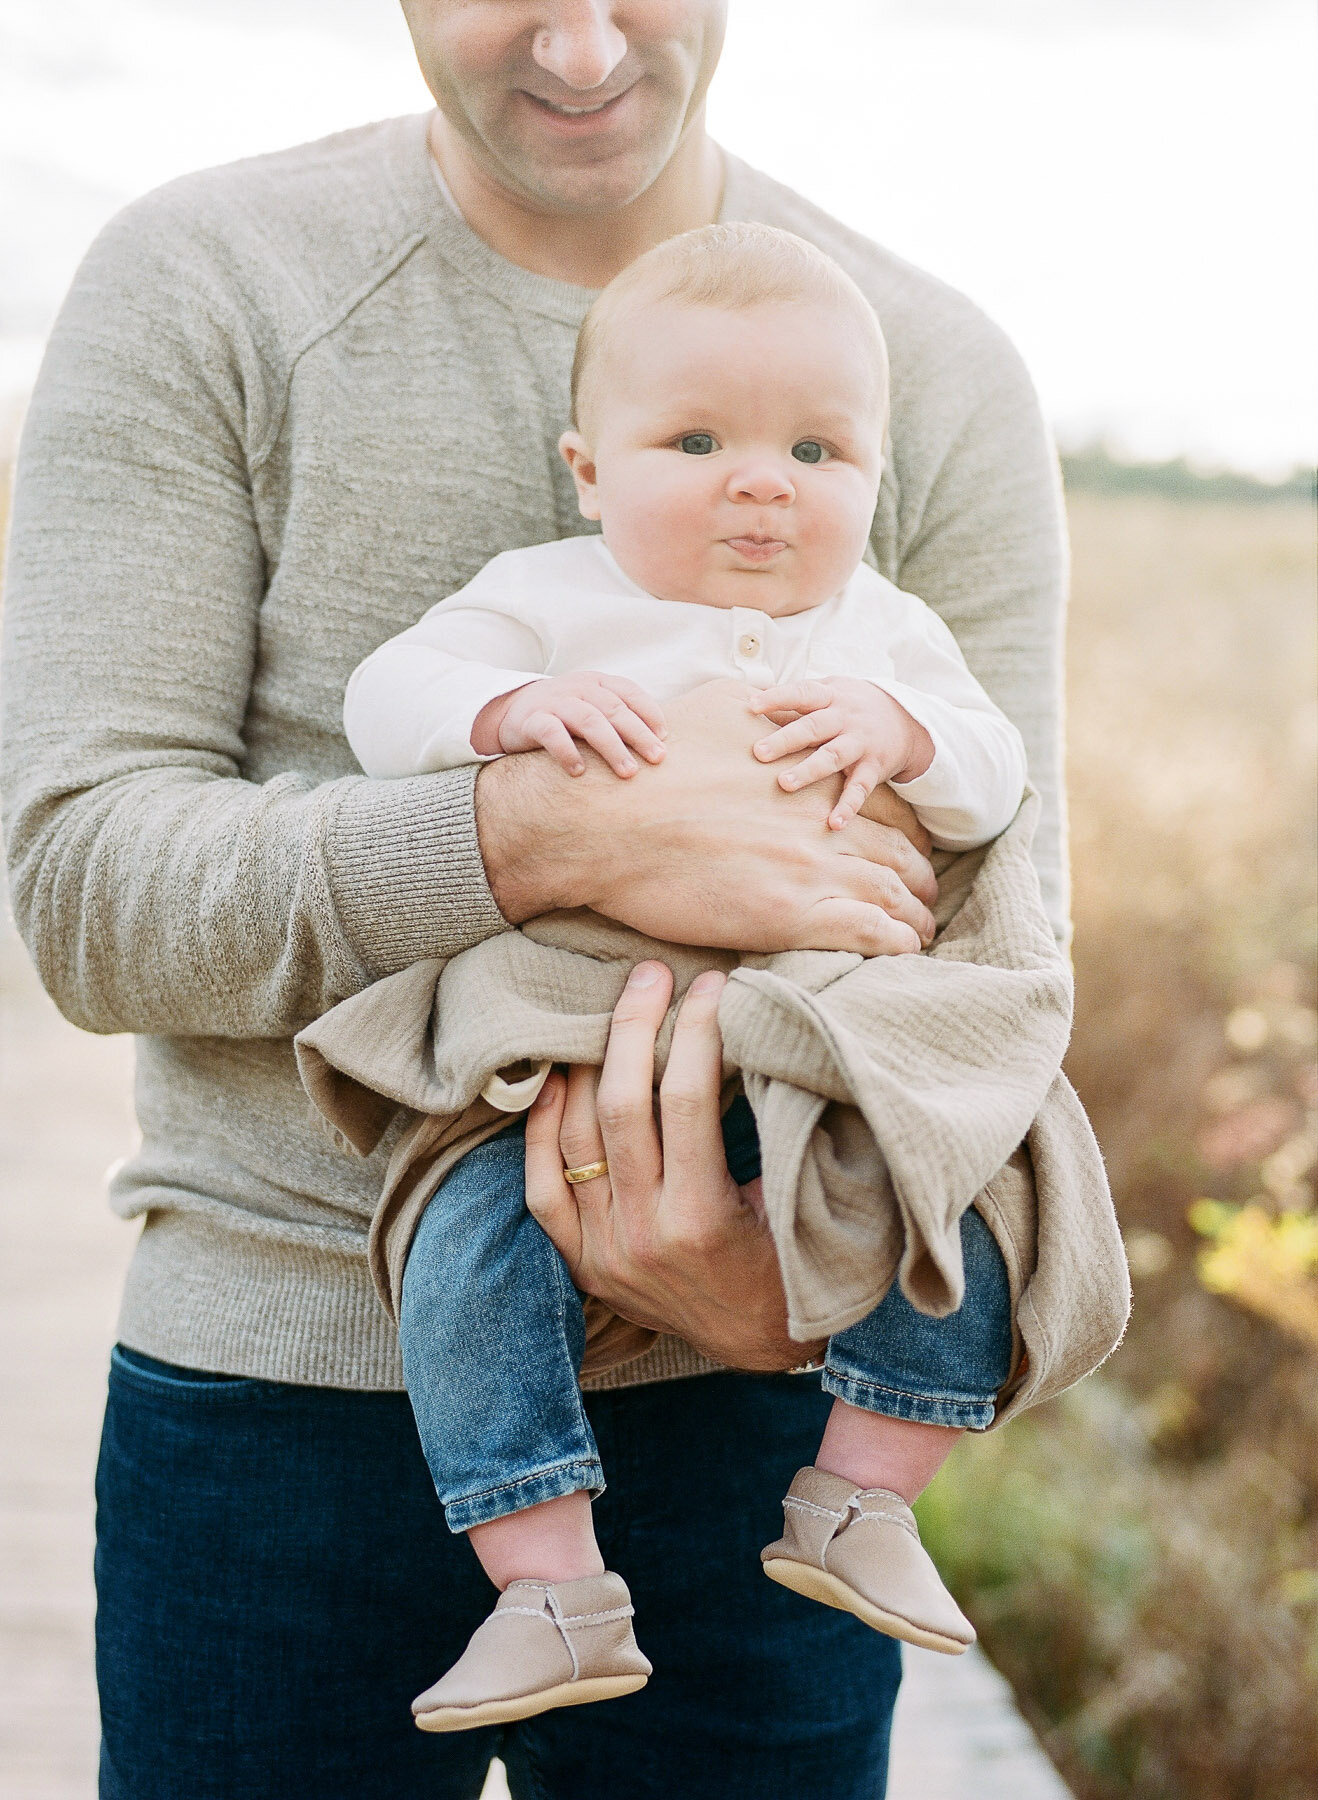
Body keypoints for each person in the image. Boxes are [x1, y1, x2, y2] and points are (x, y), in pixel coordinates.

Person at [0, 4, 1069, 1795]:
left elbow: (1010, 936)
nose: (579, 45)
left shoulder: (928, 369)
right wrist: (542, 839)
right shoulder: (206, 282)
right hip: (283, 1391)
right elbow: (86, 894)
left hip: (767, 1414)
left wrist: (784, 1282)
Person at [343, 222, 1026, 1731]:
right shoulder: (548, 596)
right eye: (698, 441)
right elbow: (385, 696)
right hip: (583, 1031)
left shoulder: (881, 631)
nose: (762, 481)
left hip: (820, 1032)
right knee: (466, 1242)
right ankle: (547, 1585)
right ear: (590, 472)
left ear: (874, 478)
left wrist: (908, 734)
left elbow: (998, 773)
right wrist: (509, 711)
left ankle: (864, 1492)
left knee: (967, 1179)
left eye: (817, 450)